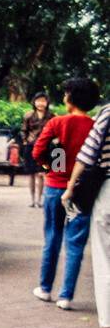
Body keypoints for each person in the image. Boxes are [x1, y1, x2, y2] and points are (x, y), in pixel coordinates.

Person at [33, 77, 100, 309]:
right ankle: (66, 296)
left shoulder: (57, 123)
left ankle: (44, 288)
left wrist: (51, 167)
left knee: (52, 237)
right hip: (82, 191)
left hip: (55, 186)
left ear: (70, 98)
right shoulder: (94, 125)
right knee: (76, 243)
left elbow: (38, 152)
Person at [65, 101, 110, 328]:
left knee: (104, 259)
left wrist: (69, 186)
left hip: (107, 192)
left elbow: (88, 152)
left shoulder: (106, 113)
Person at [21, 93, 54, 205]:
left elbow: (55, 131)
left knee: (42, 174)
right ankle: (32, 199)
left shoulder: (51, 116)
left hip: (45, 147)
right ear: (34, 102)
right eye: (38, 101)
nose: (41, 103)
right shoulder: (28, 115)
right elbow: (23, 130)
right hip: (31, 146)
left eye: (43, 101)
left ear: (47, 102)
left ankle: (40, 200)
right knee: (31, 174)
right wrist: (25, 141)